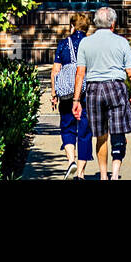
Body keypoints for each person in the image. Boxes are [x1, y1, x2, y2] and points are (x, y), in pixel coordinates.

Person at [72, 6, 131, 180]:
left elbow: (80, 73)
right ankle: (115, 174)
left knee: (101, 136)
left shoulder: (85, 43)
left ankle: (103, 175)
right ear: (113, 24)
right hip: (115, 88)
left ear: (95, 23)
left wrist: (76, 99)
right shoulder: (122, 42)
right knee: (118, 132)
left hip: (94, 90)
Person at [51, 13, 94, 180]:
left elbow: (55, 71)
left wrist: (54, 93)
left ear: (72, 27)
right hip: (87, 90)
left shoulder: (63, 44)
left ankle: (71, 162)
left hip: (68, 92)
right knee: (85, 130)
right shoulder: (91, 45)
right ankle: (81, 174)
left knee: (67, 126)